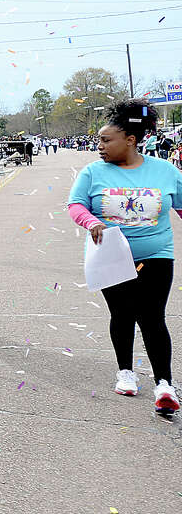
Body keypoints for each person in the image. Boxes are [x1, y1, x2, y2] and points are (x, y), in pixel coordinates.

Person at [68, 100, 181, 414]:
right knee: (122, 314)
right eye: (99, 141)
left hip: (156, 255)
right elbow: (76, 205)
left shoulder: (165, 171)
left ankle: (164, 385)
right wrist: (91, 222)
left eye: (106, 140)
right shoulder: (93, 172)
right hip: (111, 256)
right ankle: (126, 373)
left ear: (130, 140)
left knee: (153, 317)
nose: (99, 146)